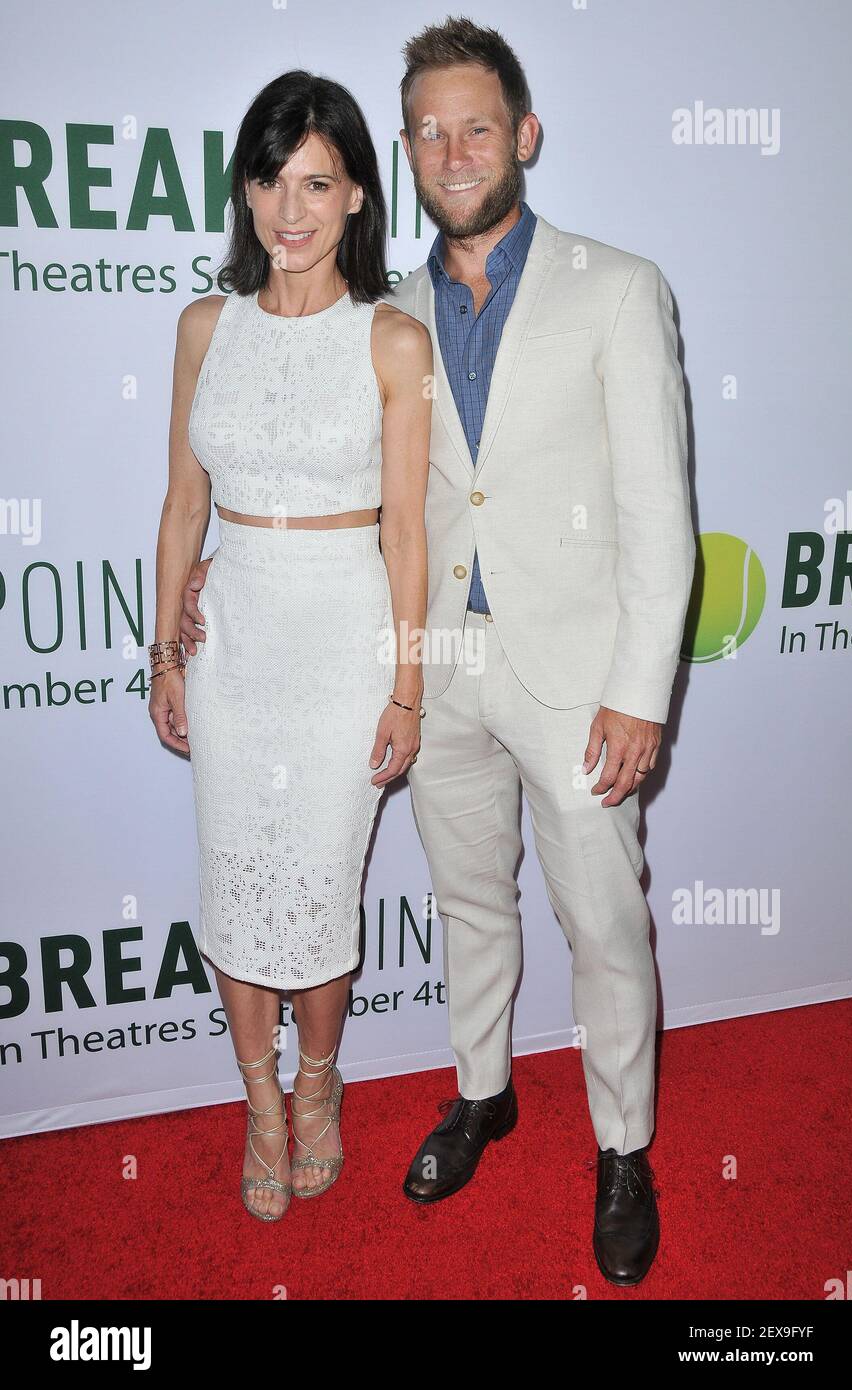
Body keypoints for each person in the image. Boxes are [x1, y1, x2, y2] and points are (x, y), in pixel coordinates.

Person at [181, 17, 696, 1285]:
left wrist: (639, 694)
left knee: (602, 927)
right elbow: (359, 495)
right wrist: (220, 557)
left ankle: (621, 1147)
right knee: (469, 904)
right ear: (401, 156)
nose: (453, 149)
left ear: (523, 134)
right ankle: (481, 1092)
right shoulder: (385, 313)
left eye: (476, 125)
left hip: (575, 676)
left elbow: (659, 513)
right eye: (428, 130)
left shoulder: (618, 286)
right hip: (423, 663)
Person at [149, 69, 431, 1223]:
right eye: (269, 178)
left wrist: (408, 686)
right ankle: (258, 1099)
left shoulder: (392, 339)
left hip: (342, 635)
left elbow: (408, 531)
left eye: (317, 180)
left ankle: (319, 1080)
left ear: (359, 192)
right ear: (245, 192)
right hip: (233, 644)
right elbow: (180, 507)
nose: (290, 206)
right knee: (232, 880)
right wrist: (163, 651)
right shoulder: (203, 326)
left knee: (317, 891)